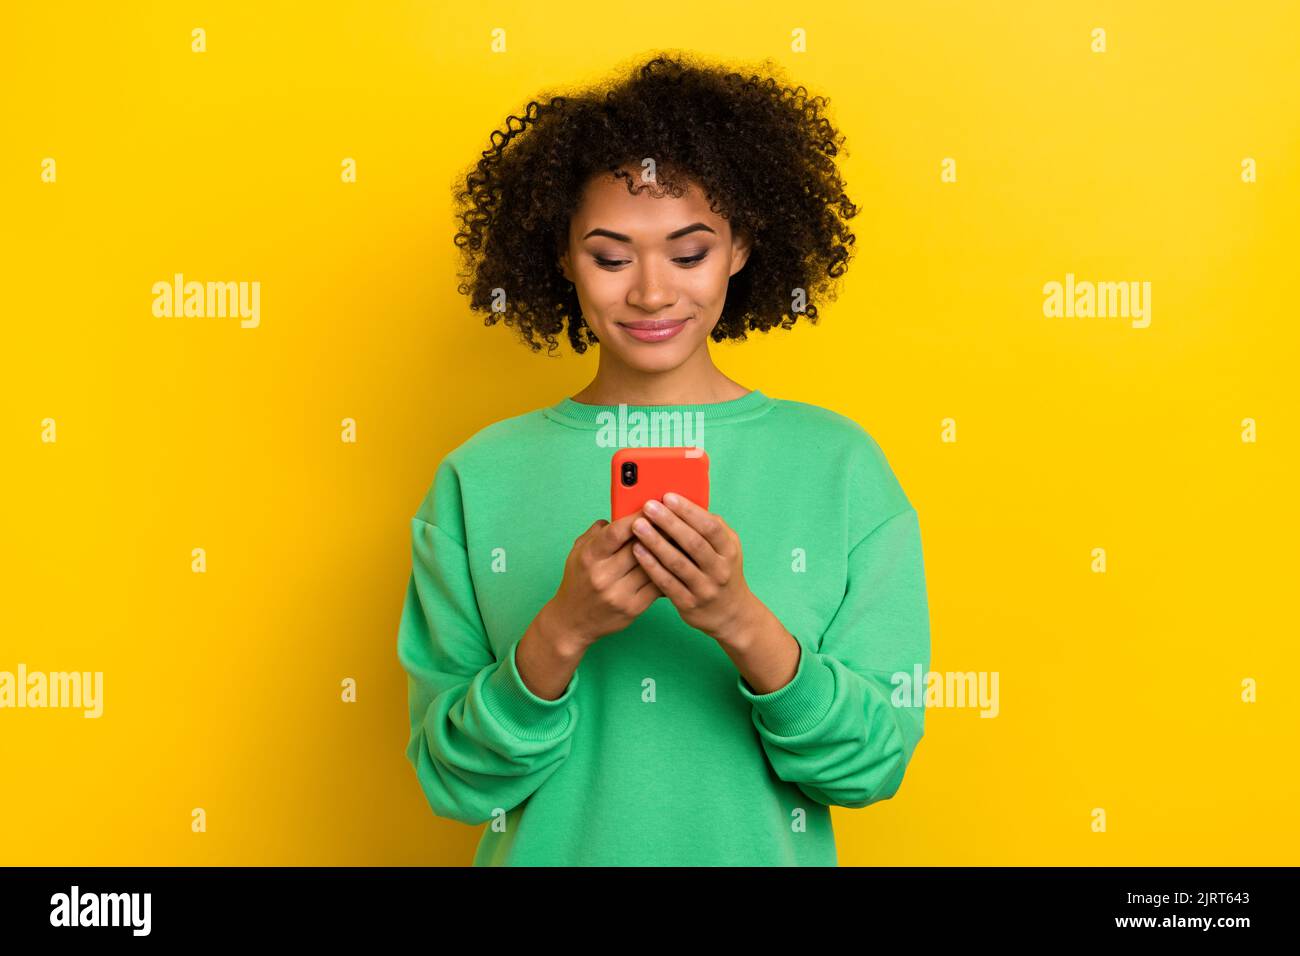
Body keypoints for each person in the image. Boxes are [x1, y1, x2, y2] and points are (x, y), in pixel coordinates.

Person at [397, 51, 930, 866]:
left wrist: (739, 620)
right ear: (563, 258)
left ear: (742, 249)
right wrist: (562, 630)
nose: (650, 292)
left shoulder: (840, 466)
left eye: (689, 254)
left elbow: (869, 767)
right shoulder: (480, 477)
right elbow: (455, 782)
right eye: (610, 257)